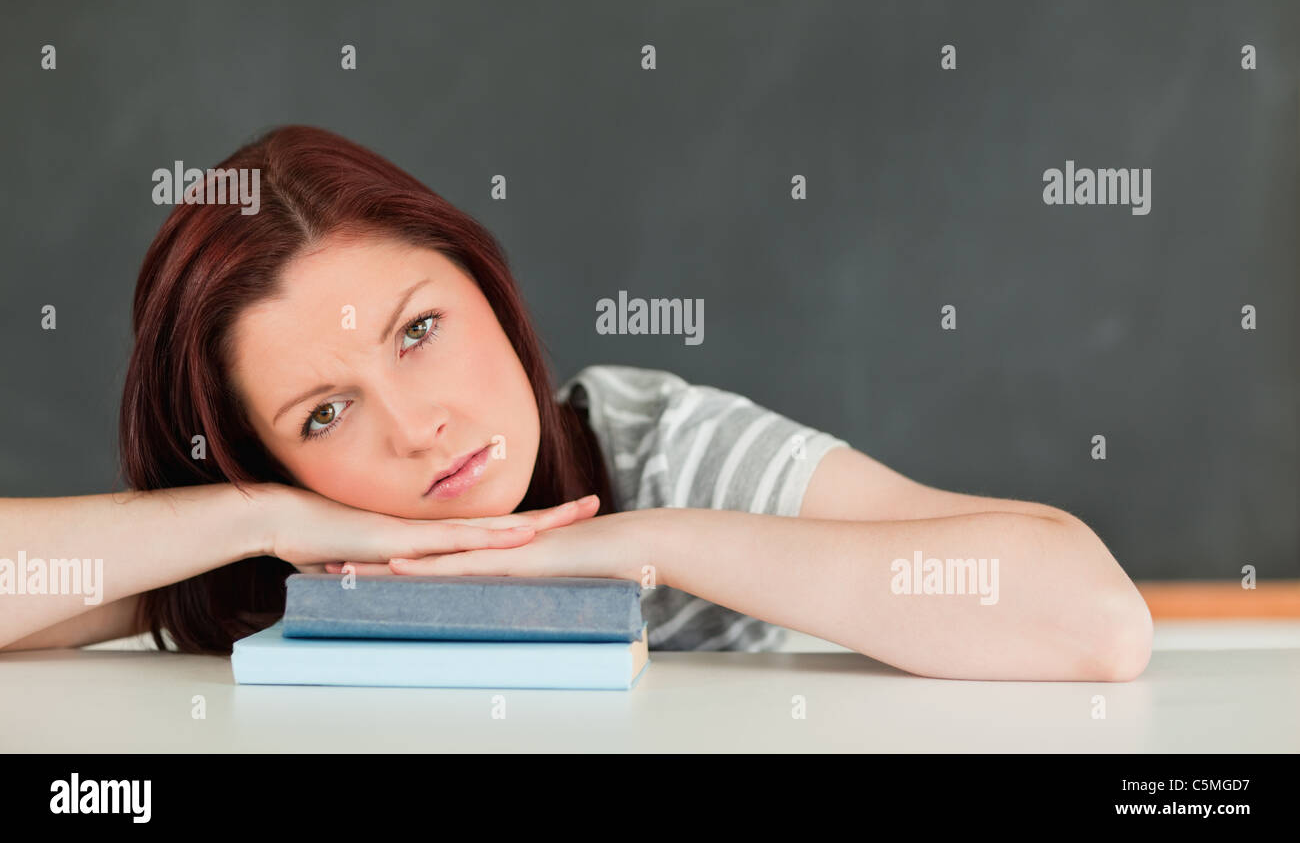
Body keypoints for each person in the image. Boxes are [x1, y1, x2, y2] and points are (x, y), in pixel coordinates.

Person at [0, 125, 1153, 680]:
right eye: (322, 414)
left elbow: (1092, 618)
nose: (414, 425)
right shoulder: (274, 562)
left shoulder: (660, 446)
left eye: (417, 330)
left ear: (488, 289)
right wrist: (259, 522)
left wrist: (633, 543)